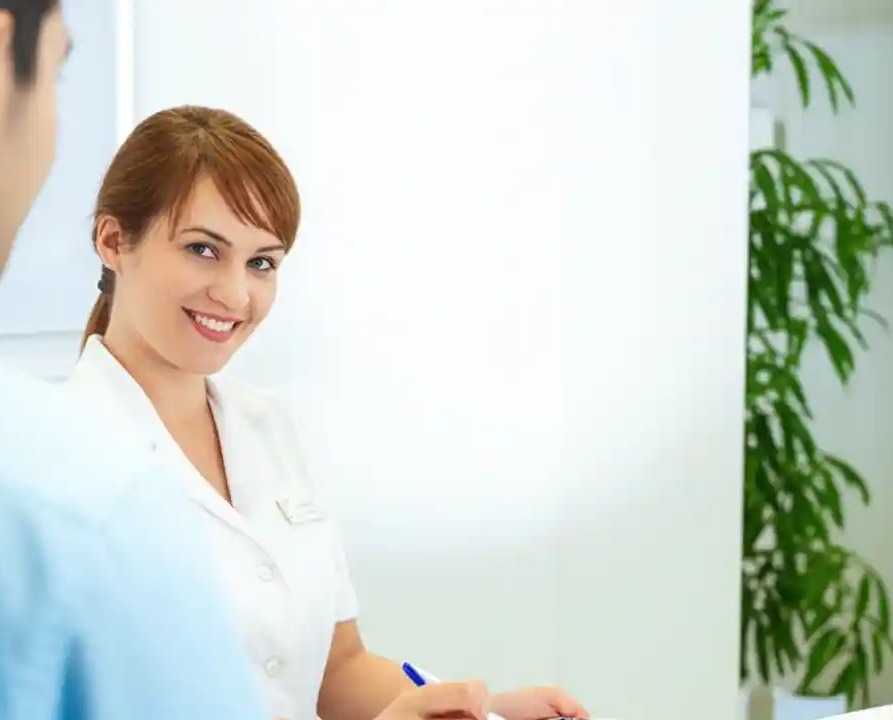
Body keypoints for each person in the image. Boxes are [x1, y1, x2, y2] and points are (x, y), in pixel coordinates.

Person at [63, 105, 593, 720]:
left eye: (262, 262)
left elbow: (335, 671)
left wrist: (480, 712)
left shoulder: (271, 429)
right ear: (112, 241)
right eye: (204, 250)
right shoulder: (51, 459)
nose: (236, 294)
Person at [0, 3, 297, 718]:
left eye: (263, 261)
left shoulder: (250, 432)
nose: (235, 291)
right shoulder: (77, 493)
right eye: (57, 73)